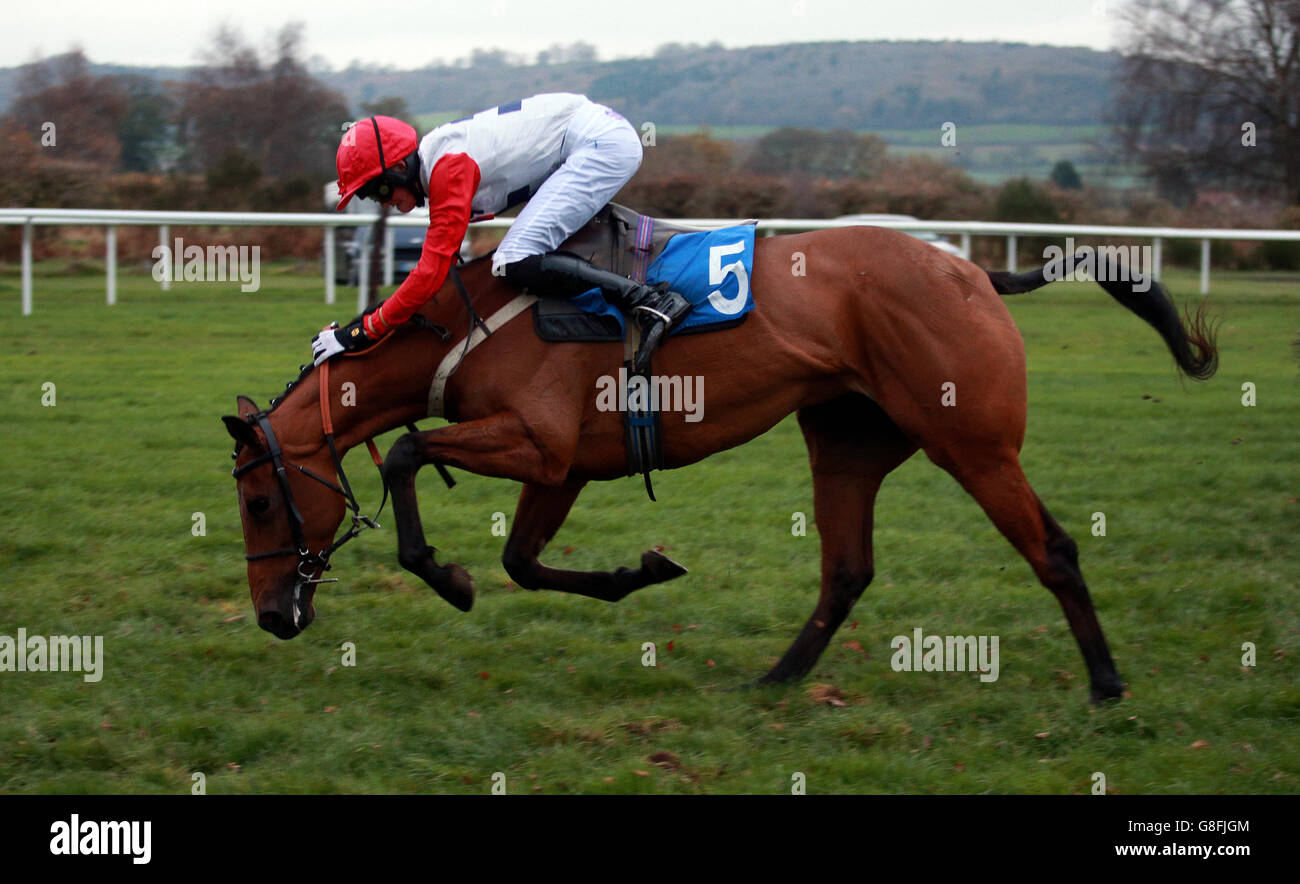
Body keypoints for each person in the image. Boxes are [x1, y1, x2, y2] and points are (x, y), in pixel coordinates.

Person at [311, 93, 690, 372]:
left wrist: (362, 332)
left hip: (599, 144)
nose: (379, 202)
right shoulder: (437, 161)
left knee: (513, 258)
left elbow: (431, 272)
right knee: (514, 257)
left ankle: (650, 300)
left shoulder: (448, 169)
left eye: (374, 190)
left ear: (397, 167)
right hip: (589, 137)